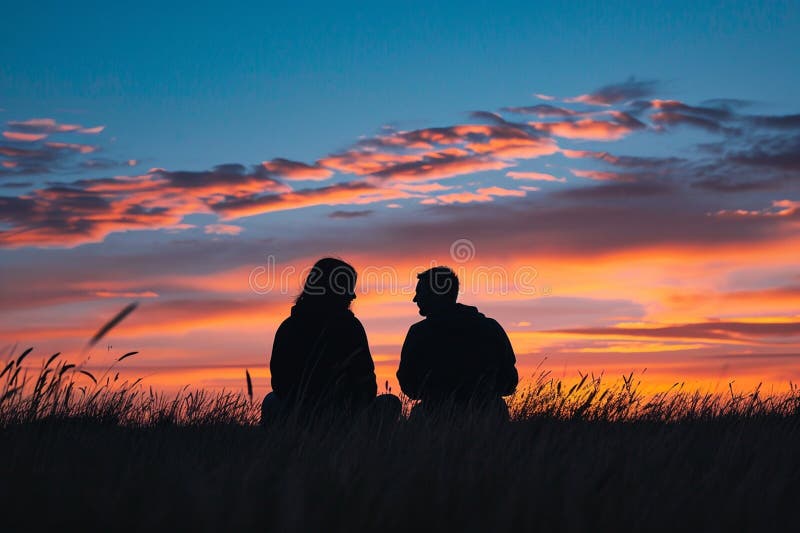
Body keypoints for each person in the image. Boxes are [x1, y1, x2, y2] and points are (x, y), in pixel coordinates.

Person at [262, 257, 401, 426]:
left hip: (299, 415)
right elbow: (366, 384)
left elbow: (279, 383)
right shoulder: (351, 327)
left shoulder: (288, 327)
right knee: (390, 402)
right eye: (348, 287)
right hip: (344, 416)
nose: (354, 295)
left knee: (271, 400)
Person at [397, 266, 518, 421]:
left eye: (420, 292)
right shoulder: (490, 327)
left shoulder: (419, 333)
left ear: (436, 294)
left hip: (435, 416)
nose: (415, 299)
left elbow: (409, 386)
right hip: (488, 415)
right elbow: (509, 381)